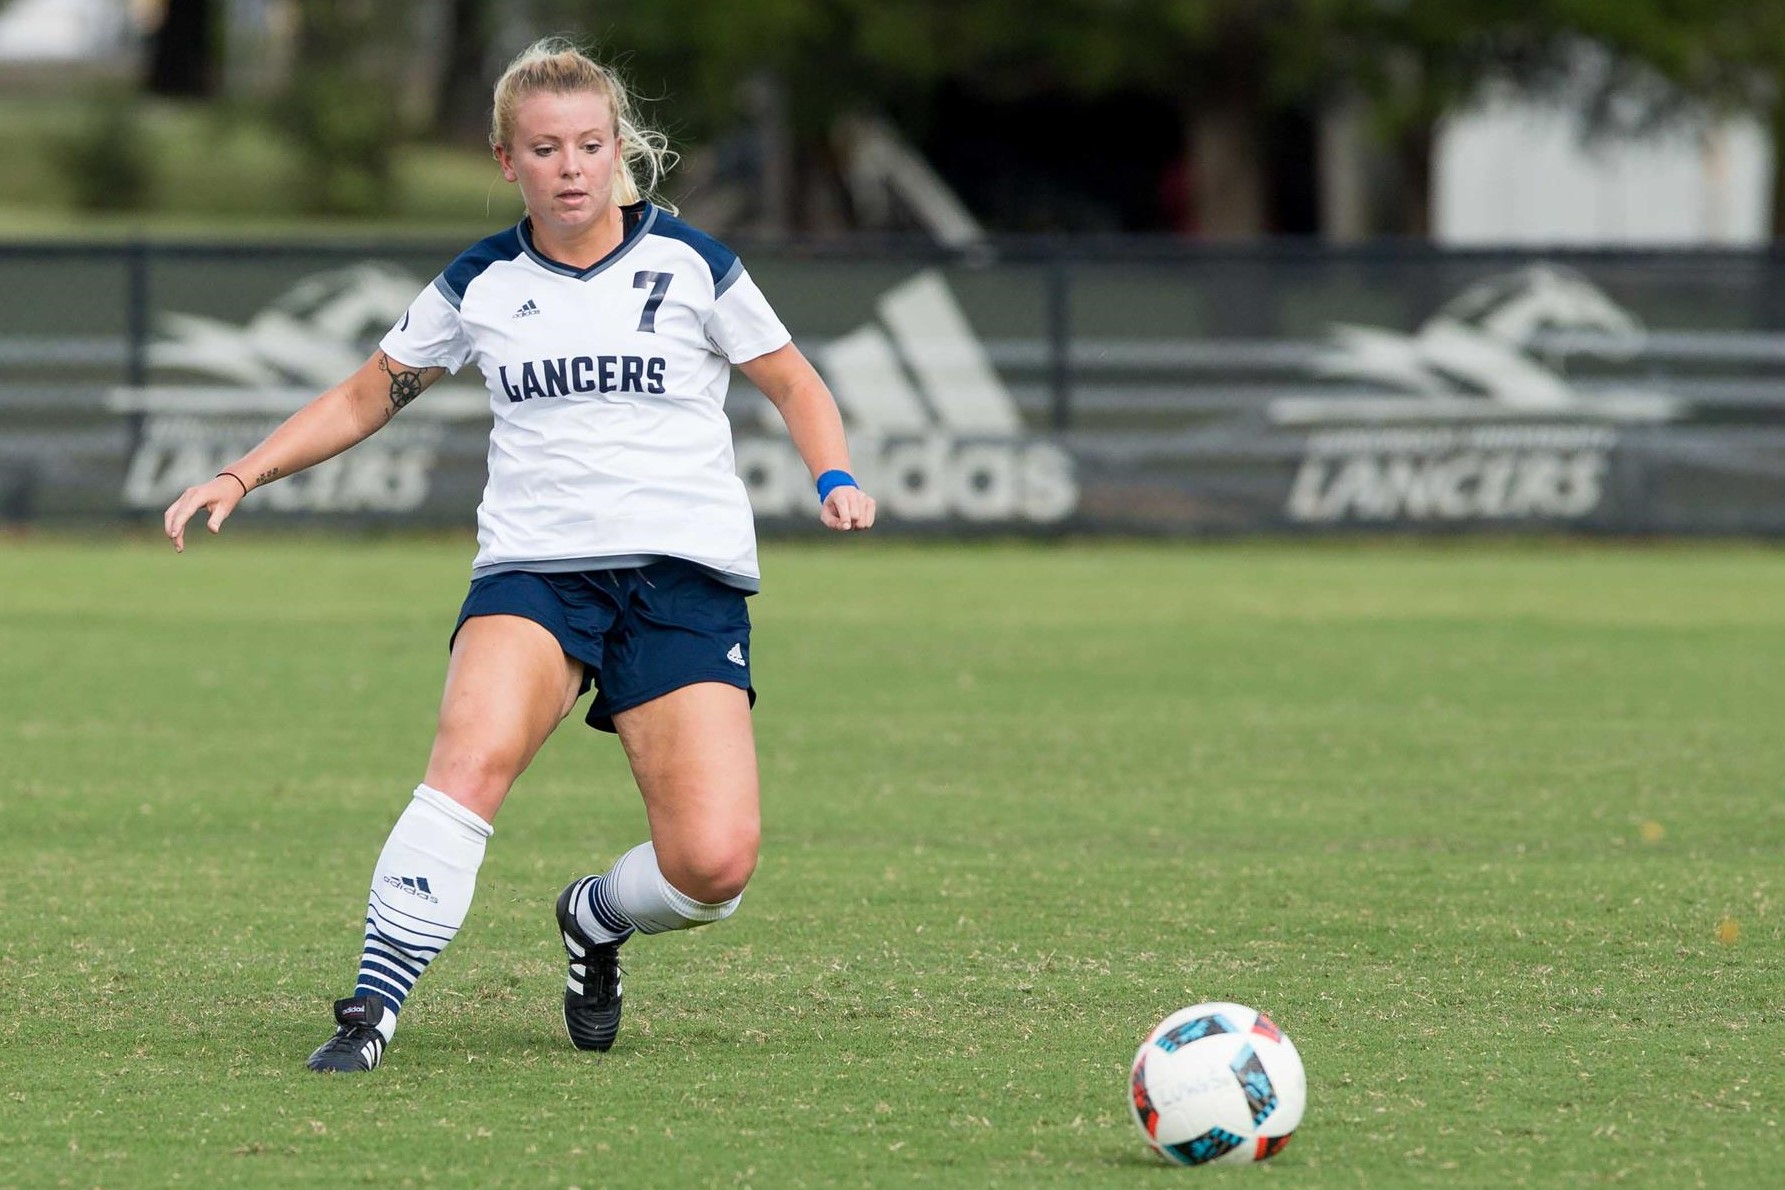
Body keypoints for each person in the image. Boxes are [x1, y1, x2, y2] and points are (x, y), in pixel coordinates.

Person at [162, 36, 876, 1073]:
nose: (572, 165)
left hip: (684, 582)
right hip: (536, 570)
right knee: (469, 762)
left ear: (618, 148)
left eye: (591, 143)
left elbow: (797, 383)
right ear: (509, 161)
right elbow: (368, 391)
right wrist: (240, 474)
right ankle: (371, 1010)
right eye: (546, 148)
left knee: (712, 866)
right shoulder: (483, 282)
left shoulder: (691, 263)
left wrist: (833, 473)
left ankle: (594, 918)